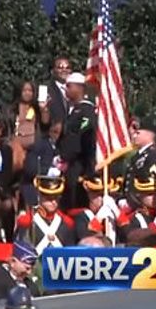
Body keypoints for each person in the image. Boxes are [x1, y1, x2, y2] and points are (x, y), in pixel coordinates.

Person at [57, 72, 96, 210]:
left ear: (79, 88)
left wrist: (64, 157)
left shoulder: (86, 111)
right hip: (71, 166)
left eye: (69, 86)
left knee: (76, 206)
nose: (66, 89)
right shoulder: (74, 111)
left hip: (80, 166)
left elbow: (79, 138)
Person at [15, 174, 76, 254]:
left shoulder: (67, 223)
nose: (53, 202)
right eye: (49, 198)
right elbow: (20, 252)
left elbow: (71, 253)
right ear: (39, 196)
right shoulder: (27, 221)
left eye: (56, 198)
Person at [0, 240, 40, 305]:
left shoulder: (30, 286)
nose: (29, 272)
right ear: (12, 262)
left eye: (31, 269)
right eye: (27, 268)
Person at [9, 81, 51, 156]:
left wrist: (43, 109)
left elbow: (45, 123)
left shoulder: (36, 108)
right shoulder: (12, 109)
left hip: (34, 147)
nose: (27, 93)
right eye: (24, 90)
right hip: (16, 147)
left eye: (30, 90)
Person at [45, 57, 73, 128]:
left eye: (67, 68)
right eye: (60, 68)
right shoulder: (46, 90)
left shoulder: (77, 89)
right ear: (52, 71)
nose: (64, 70)